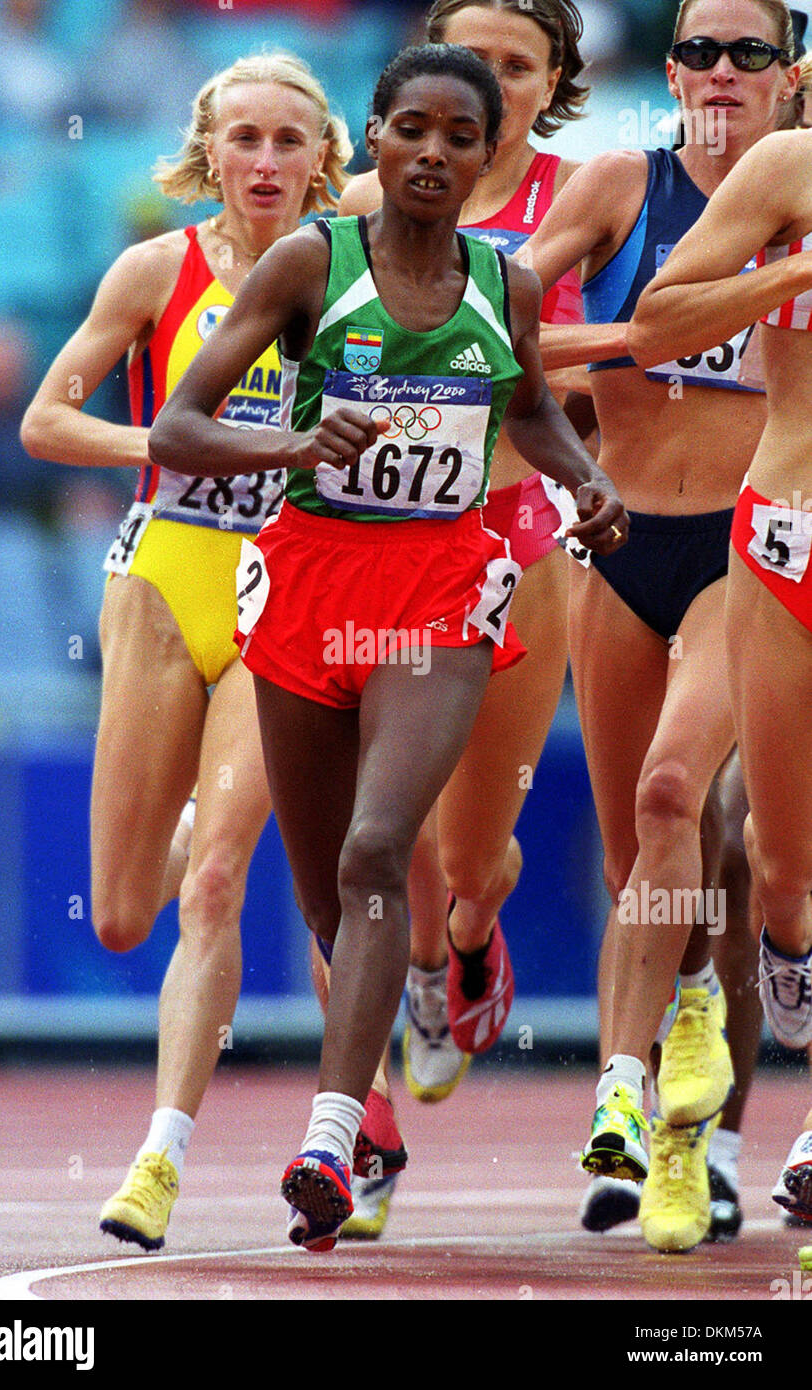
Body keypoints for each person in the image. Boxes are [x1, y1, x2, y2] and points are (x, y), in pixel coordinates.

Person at [149, 41, 628, 1253]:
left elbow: (521, 404)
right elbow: (180, 424)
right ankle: (371, 1075)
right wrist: (294, 450)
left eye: (456, 137)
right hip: (309, 577)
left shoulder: (502, 282)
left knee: (376, 847)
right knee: (327, 895)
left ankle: (326, 1135)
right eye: (408, 129)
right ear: (373, 139)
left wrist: (583, 480)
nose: (429, 153)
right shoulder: (319, 260)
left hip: (437, 583)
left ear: (481, 154)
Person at [20, 52, 353, 1251]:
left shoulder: (357, 270)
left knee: (218, 879)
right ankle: (168, 830)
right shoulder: (154, 268)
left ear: (325, 156)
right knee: (120, 913)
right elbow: (42, 417)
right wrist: (168, 449)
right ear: (208, 150)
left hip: (288, 595)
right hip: (164, 578)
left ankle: (158, 1158)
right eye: (246, 140)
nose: (266, 163)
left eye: (289, 141)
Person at [522, 0, 800, 1252]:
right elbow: (492, 318)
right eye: (699, 49)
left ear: (790, 72)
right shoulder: (619, 181)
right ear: (671, 66)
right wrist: (603, 360)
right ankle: (645, 1112)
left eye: (751, 51)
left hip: (742, 551)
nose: (721, 72)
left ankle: (703, 1136)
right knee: (647, 864)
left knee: (681, 801)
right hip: (618, 542)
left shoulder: (793, 187)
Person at [629, 117, 812, 1244]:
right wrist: (791, 265)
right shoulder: (785, 170)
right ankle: (788, 950)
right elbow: (653, 322)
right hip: (788, 527)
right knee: (778, 863)